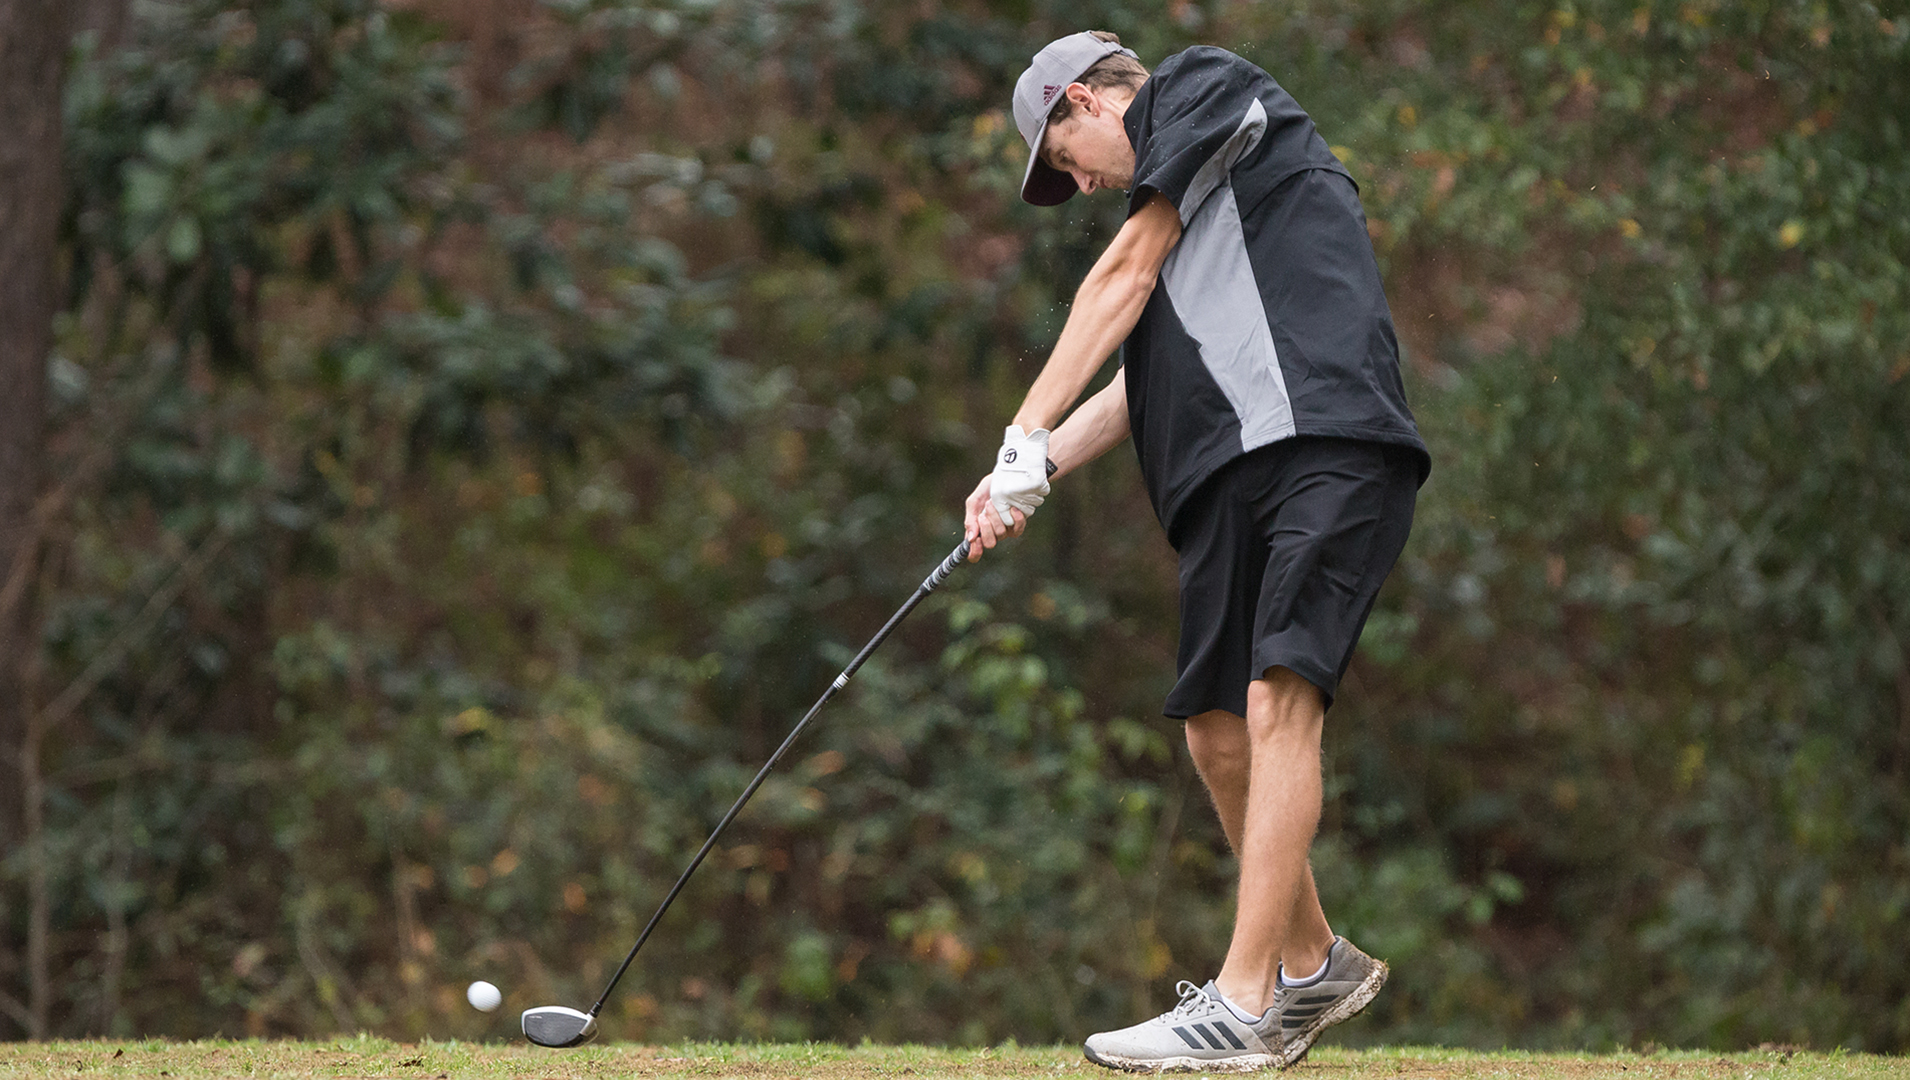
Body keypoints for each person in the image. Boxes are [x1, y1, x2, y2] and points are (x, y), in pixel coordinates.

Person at [962, 30, 1432, 1072]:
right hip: (1234, 472)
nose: (1077, 184)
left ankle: (1239, 1002)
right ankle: (1314, 963)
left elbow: (1117, 275)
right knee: (1215, 735)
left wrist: (1019, 432)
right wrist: (1026, 478)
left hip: (1327, 441)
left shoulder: (1206, 87)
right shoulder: (1189, 235)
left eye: (1066, 159)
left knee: (1277, 700)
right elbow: (1133, 386)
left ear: (1082, 100)